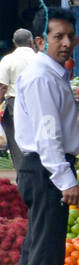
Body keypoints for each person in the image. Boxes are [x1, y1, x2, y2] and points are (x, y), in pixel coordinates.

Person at [13, 11, 79, 265]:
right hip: (45, 169)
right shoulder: (42, 76)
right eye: (58, 37)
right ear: (41, 41)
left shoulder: (53, 74)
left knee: (35, 248)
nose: (66, 43)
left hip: (40, 168)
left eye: (70, 35)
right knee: (45, 251)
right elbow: (48, 135)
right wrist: (66, 179)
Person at [0, 28, 39, 164]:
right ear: (31, 42)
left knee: (17, 142)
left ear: (14, 43)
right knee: (39, 140)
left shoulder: (8, 60)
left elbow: (2, 86)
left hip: (14, 105)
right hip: (39, 103)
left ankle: (22, 175)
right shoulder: (40, 59)